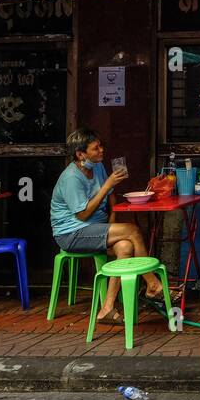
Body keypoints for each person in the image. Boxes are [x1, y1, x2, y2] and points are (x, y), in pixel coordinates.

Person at [50, 128, 161, 326]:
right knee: (133, 230)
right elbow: (83, 215)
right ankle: (152, 283)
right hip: (72, 232)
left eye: (101, 146)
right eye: (96, 148)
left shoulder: (97, 166)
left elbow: (111, 194)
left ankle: (107, 308)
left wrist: (112, 221)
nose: (102, 151)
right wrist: (107, 185)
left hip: (96, 227)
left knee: (126, 246)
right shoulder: (71, 178)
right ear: (80, 154)